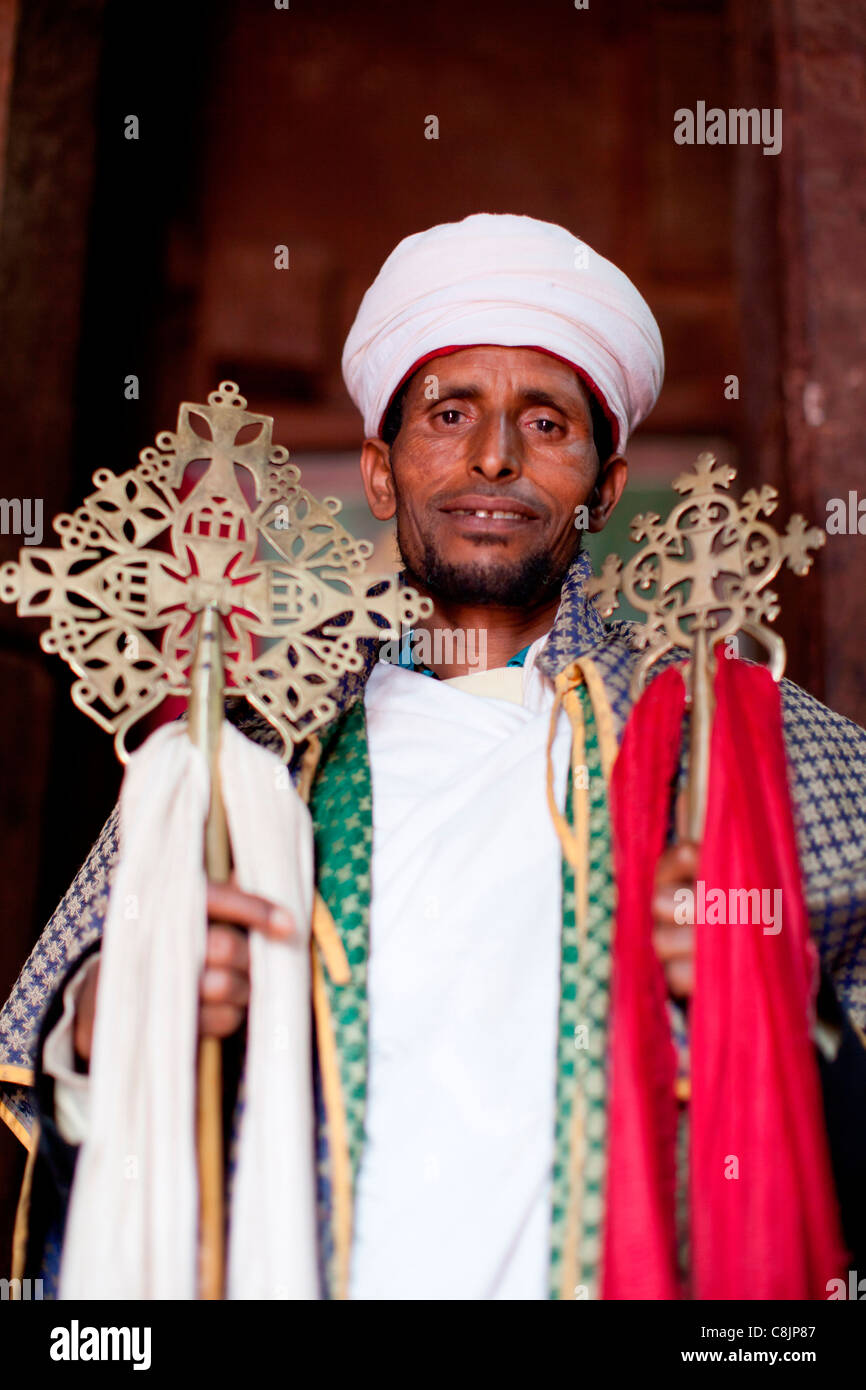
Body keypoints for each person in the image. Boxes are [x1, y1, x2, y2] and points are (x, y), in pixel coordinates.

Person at [2, 212, 865, 1300]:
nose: (492, 456)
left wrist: (775, 1000)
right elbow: (63, 1084)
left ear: (602, 485)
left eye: (544, 421)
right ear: (379, 469)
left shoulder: (751, 744)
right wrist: (118, 1015)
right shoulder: (244, 753)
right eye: (449, 413)